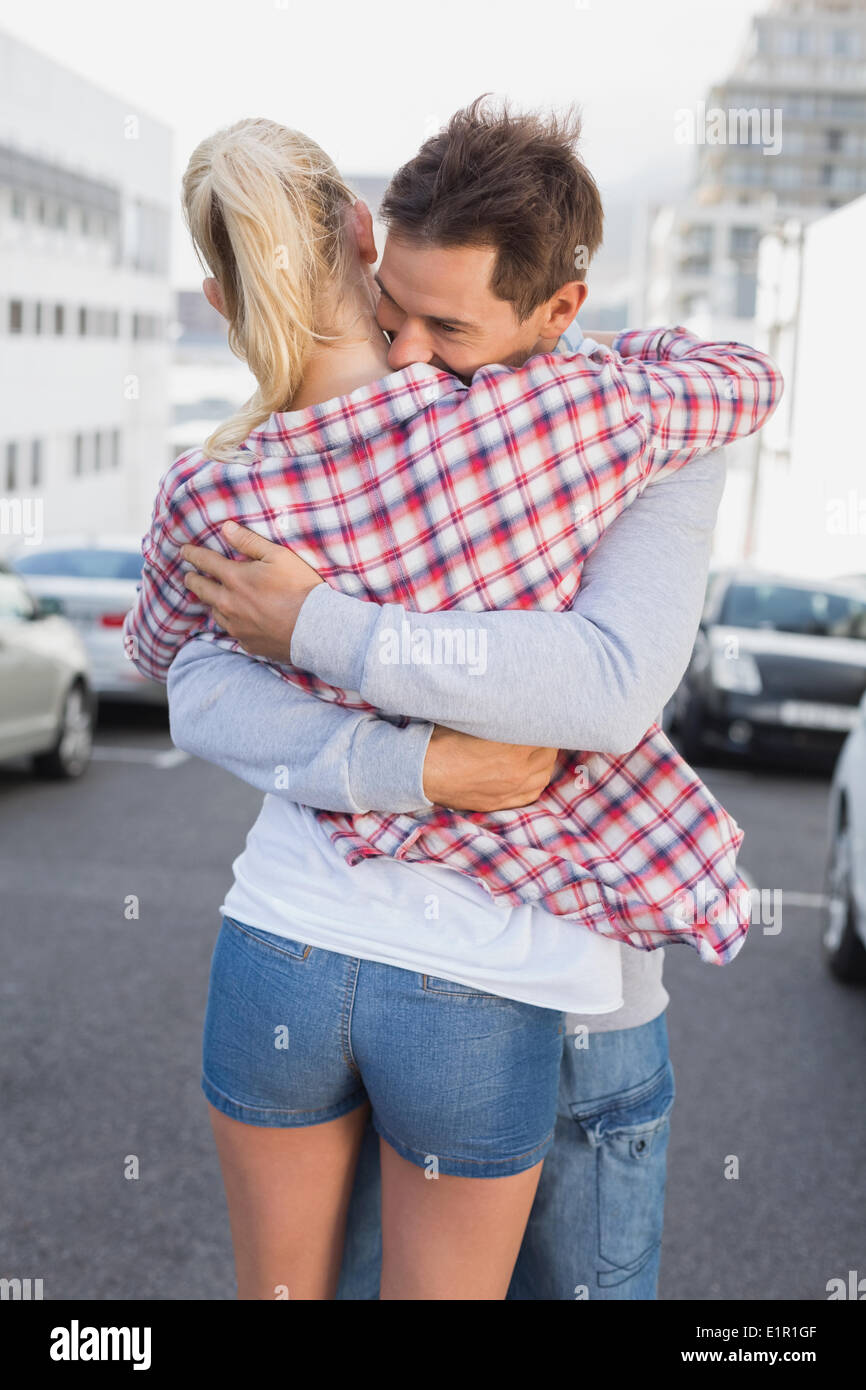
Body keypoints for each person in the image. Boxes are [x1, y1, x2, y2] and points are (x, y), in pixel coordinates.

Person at [124, 103, 782, 1300]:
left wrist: (319, 628)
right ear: (366, 240)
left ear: (557, 314)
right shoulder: (566, 419)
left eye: (449, 327)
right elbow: (196, 682)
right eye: (396, 315)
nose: (414, 357)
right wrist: (422, 767)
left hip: (401, 963)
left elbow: (607, 685)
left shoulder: (216, 481)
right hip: (474, 981)